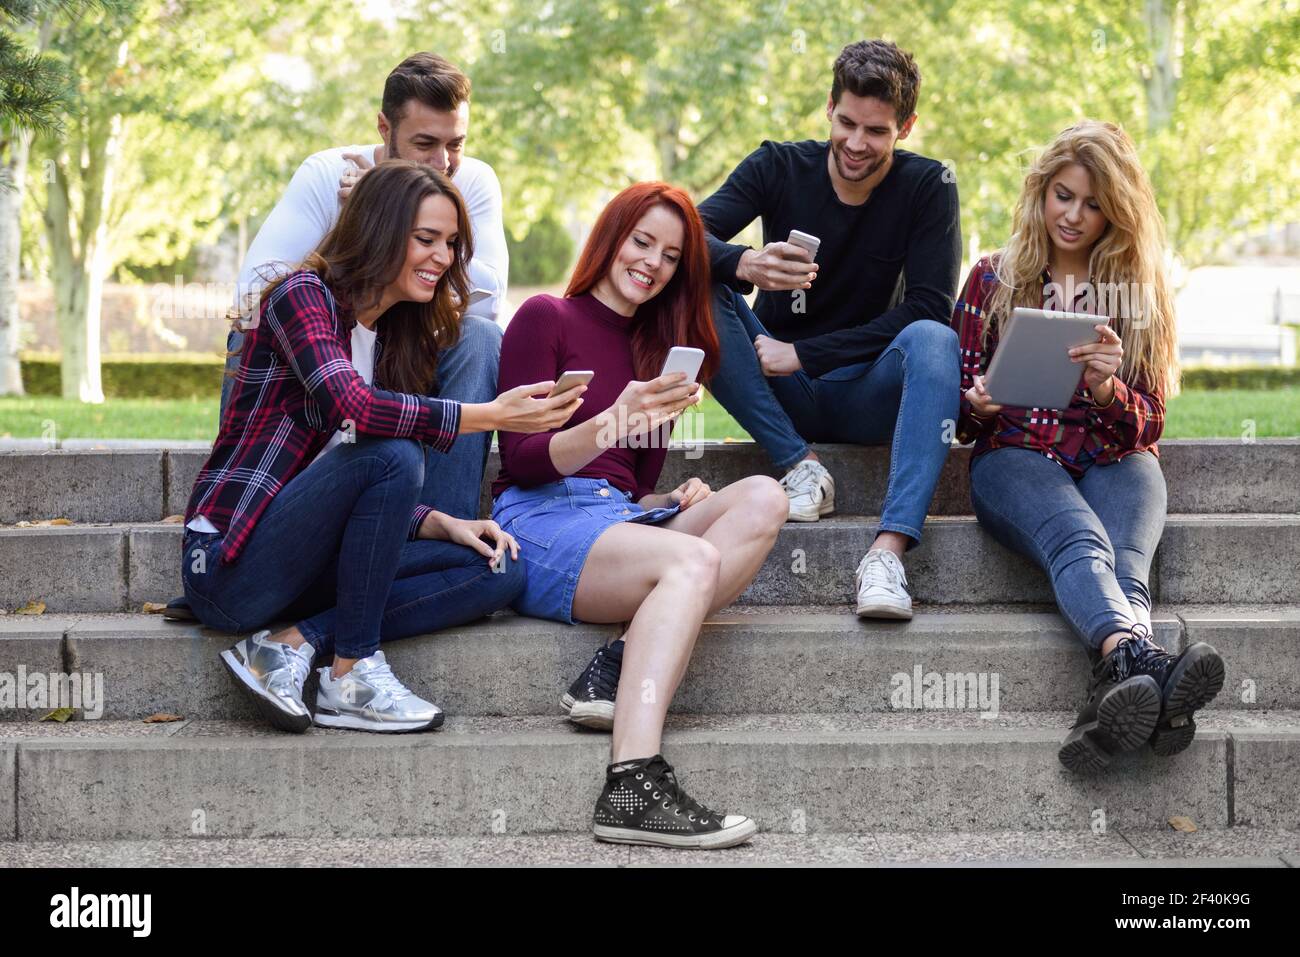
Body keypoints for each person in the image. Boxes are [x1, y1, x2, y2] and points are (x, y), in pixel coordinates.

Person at [183, 161, 583, 734]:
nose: (443, 257)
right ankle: (350, 673)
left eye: (450, 243)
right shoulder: (301, 296)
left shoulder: (396, 336)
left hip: (306, 561)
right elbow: (354, 411)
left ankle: (292, 643)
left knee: (496, 569)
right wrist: (489, 415)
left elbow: (355, 486)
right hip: (230, 566)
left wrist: (443, 523)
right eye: (426, 239)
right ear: (378, 229)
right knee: (394, 450)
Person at [492, 182, 789, 848]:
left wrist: (671, 500)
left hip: (616, 523)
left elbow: (627, 490)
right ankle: (631, 784)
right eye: (641, 242)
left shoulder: (655, 356)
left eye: (670, 255)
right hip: (539, 521)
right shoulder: (546, 318)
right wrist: (613, 420)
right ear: (612, 238)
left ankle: (619, 658)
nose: (651, 263)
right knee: (692, 558)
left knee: (767, 495)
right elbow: (523, 458)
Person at [950, 120, 1225, 772]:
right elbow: (959, 415)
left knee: (1128, 565)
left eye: (1095, 202)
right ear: (1041, 192)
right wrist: (978, 402)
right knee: (1081, 541)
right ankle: (1148, 666)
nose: (1074, 215)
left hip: (1116, 457)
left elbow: (1149, 421)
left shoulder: (1139, 294)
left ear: (1118, 212)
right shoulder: (993, 278)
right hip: (1016, 457)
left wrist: (1106, 389)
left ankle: (1114, 697)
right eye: (1064, 195)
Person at [697, 38, 962, 621]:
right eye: (847, 123)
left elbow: (929, 307)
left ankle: (887, 553)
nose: (857, 144)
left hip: (868, 392)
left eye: (877, 131)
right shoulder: (777, 165)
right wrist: (743, 263)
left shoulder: (929, 186)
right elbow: (678, 234)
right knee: (695, 282)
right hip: (778, 397)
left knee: (936, 339)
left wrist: (805, 353)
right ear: (829, 108)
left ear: (907, 127)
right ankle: (802, 469)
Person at [222, 52, 507, 525]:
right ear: (383, 128)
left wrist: (397, 214)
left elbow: (490, 300)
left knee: (480, 337)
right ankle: (252, 517)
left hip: (407, 354)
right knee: (245, 331)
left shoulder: (474, 180)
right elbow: (252, 294)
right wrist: (366, 219)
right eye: (424, 143)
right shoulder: (325, 173)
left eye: (455, 144)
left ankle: (446, 534)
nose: (442, 164)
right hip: (327, 359)